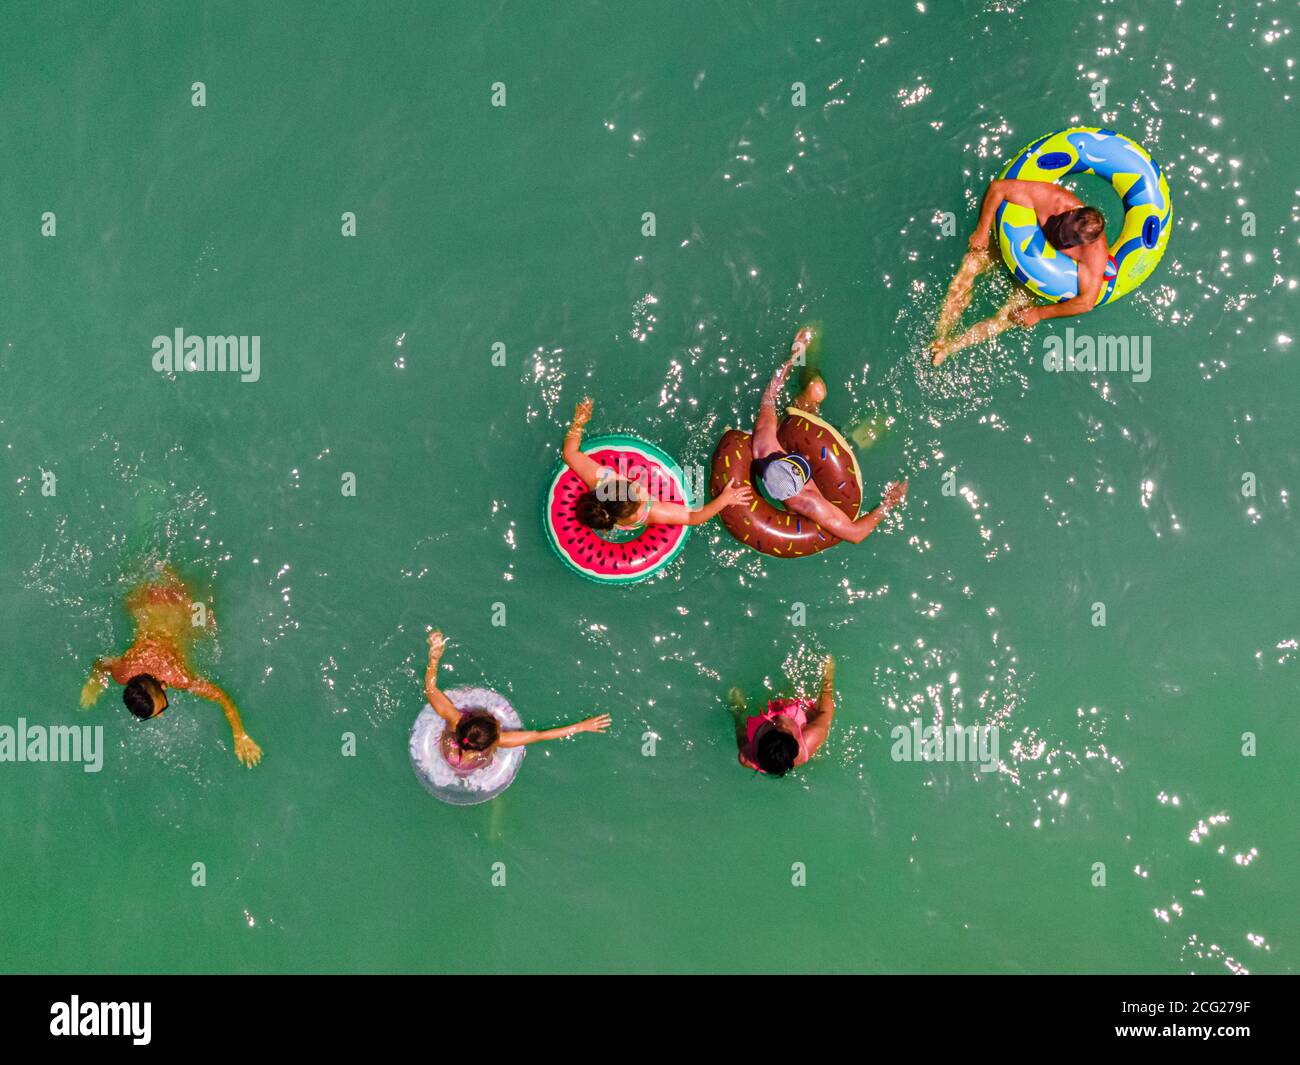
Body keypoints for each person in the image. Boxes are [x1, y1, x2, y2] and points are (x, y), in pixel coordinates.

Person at [79, 564, 262, 767]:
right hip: (148, 599)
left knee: (204, 623)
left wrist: (240, 735)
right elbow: (101, 663)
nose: (163, 712)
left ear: (163, 687)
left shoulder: (179, 677)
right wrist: (94, 681)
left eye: (162, 706)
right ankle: (163, 567)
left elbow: (222, 698)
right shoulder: (124, 672)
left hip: (181, 604)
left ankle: (199, 587)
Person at [930, 178, 1109, 366]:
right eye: (1068, 230)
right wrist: (982, 231)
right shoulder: (1052, 199)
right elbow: (998, 188)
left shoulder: (1094, 254)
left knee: (1007, 318)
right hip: (1010, 246)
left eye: (1074, 240)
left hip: (1037, 279)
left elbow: (1086, 302)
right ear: (1071, 212)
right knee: (969, 268)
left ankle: (950, 348)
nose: (1066, 238)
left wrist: (1039, 313)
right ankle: (940, 334)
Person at [751, 328, 907, 543]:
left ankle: (810, 359)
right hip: (834, 473)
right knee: (881, 426)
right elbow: (856, 534)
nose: (806, 457)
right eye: (804, 469)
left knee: (816, 390)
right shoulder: (807, 502)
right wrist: (889, 504)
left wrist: (794, 356)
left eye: (795, 460)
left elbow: (770, 394)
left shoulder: (764, 445)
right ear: (802, 486)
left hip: (793, 430)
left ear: (779, 459)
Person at [425, 631, 610, 772]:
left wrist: (434, 658)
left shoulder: (454, 719)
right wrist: (581, 726)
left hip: (451, 756)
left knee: (461, 763)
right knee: (485, 762)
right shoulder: (502, 740)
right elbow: (540, 735)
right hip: (474, 763)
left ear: (467, 721)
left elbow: (431, 689)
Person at [562, 398, 752, 532]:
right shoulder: (651, 512)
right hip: (626, 517)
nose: (637, 485)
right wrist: (723, 500)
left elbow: (570, 453)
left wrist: (580, 420)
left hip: (612, 517)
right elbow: (692, 518)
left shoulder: (598, 479)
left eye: (632, 486)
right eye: (637, 491)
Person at [732, 656, 837, 776]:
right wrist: (827, 680)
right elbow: (825, 712)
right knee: (810, 707)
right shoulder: (811, 738)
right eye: (787, 730)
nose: (782, 722)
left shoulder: (747, 758)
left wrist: (737, 714)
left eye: (774, 727)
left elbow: (742, 736)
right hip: (800, 715)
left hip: (772, 752)